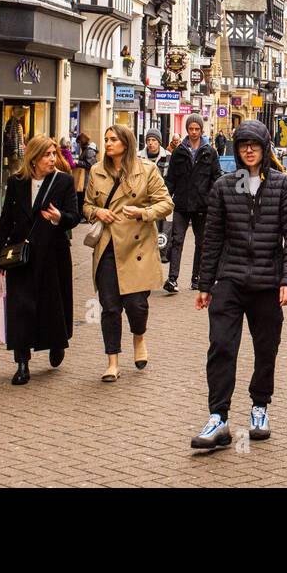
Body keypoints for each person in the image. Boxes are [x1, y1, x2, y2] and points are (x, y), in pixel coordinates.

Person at [191, 120, 287, 450]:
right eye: (243, 144)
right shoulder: (224, 186)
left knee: (265, 349)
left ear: (265, 148)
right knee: (221, 347)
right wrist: (205, 283)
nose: (248, 150)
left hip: (268, 282)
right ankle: (219, 417)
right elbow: (212, 238)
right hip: (229, 280)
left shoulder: (282, 186)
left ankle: (260, 406)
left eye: (254, 144)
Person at [82, 125, 174, 383]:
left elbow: (166, 203)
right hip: (108, 245)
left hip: (137, 246)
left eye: (113, 139)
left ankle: (139, 336)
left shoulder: (146, 169)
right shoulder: (96, 171)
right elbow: (87, 204)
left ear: (126, 142)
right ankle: (112, 362)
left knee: (136, 305)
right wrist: (97, 212)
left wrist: (143, 213)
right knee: (109, 307)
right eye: (106, 139)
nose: (108, 143)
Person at [0, 135, 80, 386]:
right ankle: (22, 363)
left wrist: (58, 216)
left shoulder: (62, 181)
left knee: (53, 303)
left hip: (53, 254)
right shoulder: (17, 182)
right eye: (47, 154)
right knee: (20, 308)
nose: (52, 159)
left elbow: (74, 217)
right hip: (22, 256)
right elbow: (7, 220)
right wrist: (0, 260)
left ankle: (56, 343)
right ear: (34, 157)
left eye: (54, 154)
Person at [164, 114, 222, 292]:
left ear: (201, 130)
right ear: (187, 130)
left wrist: (212, 198)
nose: (194, 132)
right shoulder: (179, 151)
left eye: (197, 129)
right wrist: (165, 199)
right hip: (181, 203)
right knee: (177, 240)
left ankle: (196, 278)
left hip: (202, 205)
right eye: (191, 129)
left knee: (201, 242)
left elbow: (216, 177)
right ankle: (172, 279)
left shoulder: (210, 152)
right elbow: (171, 179)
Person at [74, 132, 98, 215]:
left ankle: (83, 215)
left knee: (83, 197)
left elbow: (90, 165)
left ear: (82, 141)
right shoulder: (86, 149)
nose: (78, 145)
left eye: (79, 142)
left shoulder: (89, 151)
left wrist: (78, 162)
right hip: (84, 178)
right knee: (81, 196)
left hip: (86, 178)